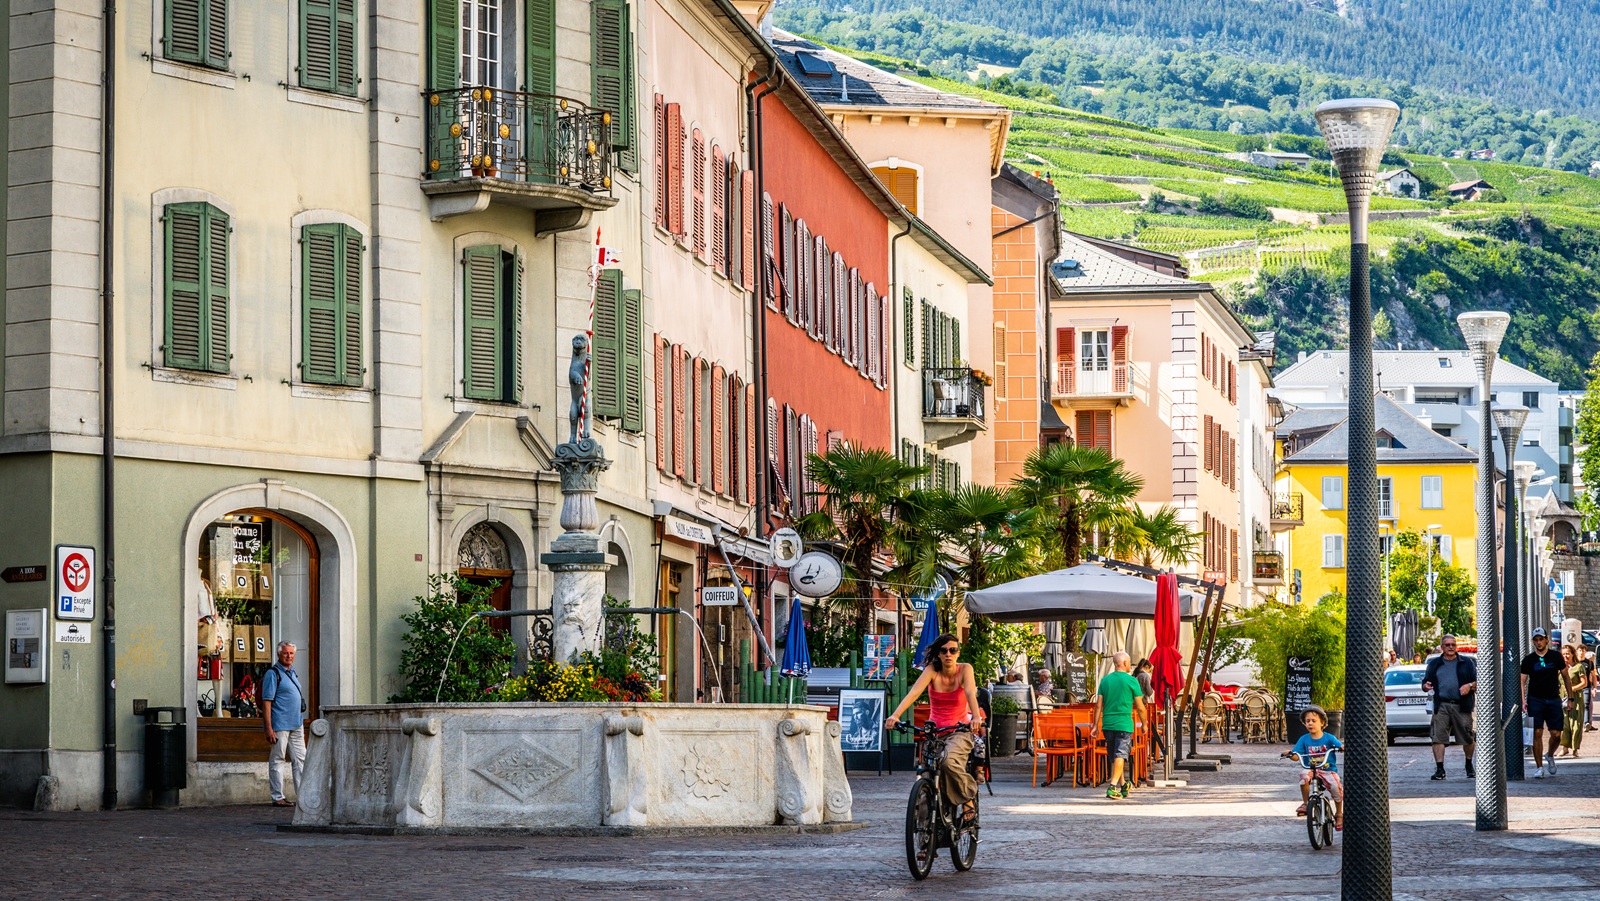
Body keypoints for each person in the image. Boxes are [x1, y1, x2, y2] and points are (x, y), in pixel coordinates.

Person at [885, 634, 987, 824]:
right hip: (934, 732)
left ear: (958, 652)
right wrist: (895, 715)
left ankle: (967, 797)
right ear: (938, 654)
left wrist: (976, 717)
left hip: (959, 730)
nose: (948, 654)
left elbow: (970, 692)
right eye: (944, 650)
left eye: (953, 650)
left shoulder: (965, 669)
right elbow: (914, 693)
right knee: (925, 781)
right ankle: (926, 841)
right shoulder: (932, 670)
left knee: (947, 762)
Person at [1420, 634, 1476, 780]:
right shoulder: (1434, 664)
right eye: (1447, 645)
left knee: (1468, 737)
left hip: (1461, 705)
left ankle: (1469, 764)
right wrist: (1425, 686)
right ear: (1442, 647)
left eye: (1453, 645)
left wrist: (1469, 686)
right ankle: (1440, 769)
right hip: (1442, 705)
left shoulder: (1466, 663)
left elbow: (1479, 682)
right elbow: (1426, 682)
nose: (1451, 647)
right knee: (1437, 737)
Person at [1093, 651, 1147, 800]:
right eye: (1129, 662)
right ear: (1124, 663)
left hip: (1108, 724)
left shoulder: (1105, 680)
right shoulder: (1131, 681)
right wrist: (1144, 724)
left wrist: (1095, 726)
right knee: (1120, 755)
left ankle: (1123, 785)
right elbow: (1140, 706)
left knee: (1116, 756)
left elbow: (1098, 706)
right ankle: (1112, 787)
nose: (1130, 665)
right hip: (1124, 724)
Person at [1281, 706, 1344, 831]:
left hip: (1327, 769)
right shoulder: (1303, 739)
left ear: (1322, 723)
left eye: (1314, 721)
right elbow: (1296, 755)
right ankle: (1305, 803)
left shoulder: (1329, 738)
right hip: (1311, 769)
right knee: (1303, 775)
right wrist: (1290, 754)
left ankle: (1339, 813)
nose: (1310, 723)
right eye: (1307, 721)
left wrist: (1341, 747)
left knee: (1336, 787)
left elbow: (1339, 745)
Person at [261, 640, 306, 807]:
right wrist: (269, 728)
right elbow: (267, 702)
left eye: (292, 653)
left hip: (296, 723)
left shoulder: (293, 672)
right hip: (279, 724)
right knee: (278, 759)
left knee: (301, 760)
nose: (289, 656)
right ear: (279, 654)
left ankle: (303, 796)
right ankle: (277, 796)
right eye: (286, 653)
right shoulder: (273, 674)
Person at [1521, 628, 1565, 778]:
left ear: (1547, 640)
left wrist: (1570, 698)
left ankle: (1550, 754)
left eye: (1541, 639)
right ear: (1533, 641)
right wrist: (1523, 700)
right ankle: (1539, 767)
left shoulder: (1556, 657)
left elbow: (1565, 676)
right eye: (1536, 640)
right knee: (1537, 732)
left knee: (1556, 734)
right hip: (1535, 699)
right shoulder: (1528, 660)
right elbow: (1522, 681)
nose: (1539, 642)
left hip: (1553, 698)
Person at [1558, 644, 1585, 758]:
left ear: (1573, 654)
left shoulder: (1579, 667)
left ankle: (1575, 749)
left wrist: (1572, 688)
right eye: (1563, 654)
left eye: (1568, 654)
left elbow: (1584, 683)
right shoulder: (1560, 668)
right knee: (1565, 724)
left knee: (1576, 725)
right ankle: (1564, 748)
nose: (1566, 656)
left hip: (1576, 698)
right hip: (1563, 698)